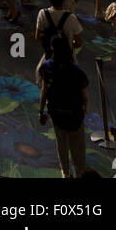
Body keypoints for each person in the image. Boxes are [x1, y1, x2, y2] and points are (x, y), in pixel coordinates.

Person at [39, 34, 88, 178]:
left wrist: (41, 112)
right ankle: (79, 173)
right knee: (78, 148)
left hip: (56, 113)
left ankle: (65, 173)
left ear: (52, 48)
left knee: (61, 144)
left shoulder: (47, 67)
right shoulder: (76, 70)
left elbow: (44, 91)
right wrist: (84, 110)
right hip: (75, 115)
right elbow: (84, 96)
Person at [34, 0, 83, 83]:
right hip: (68, 60)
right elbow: (78, 43)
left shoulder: (43, 14)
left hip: (49, 57)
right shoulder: (71, 18)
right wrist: (69, 43)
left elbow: (37, 37)